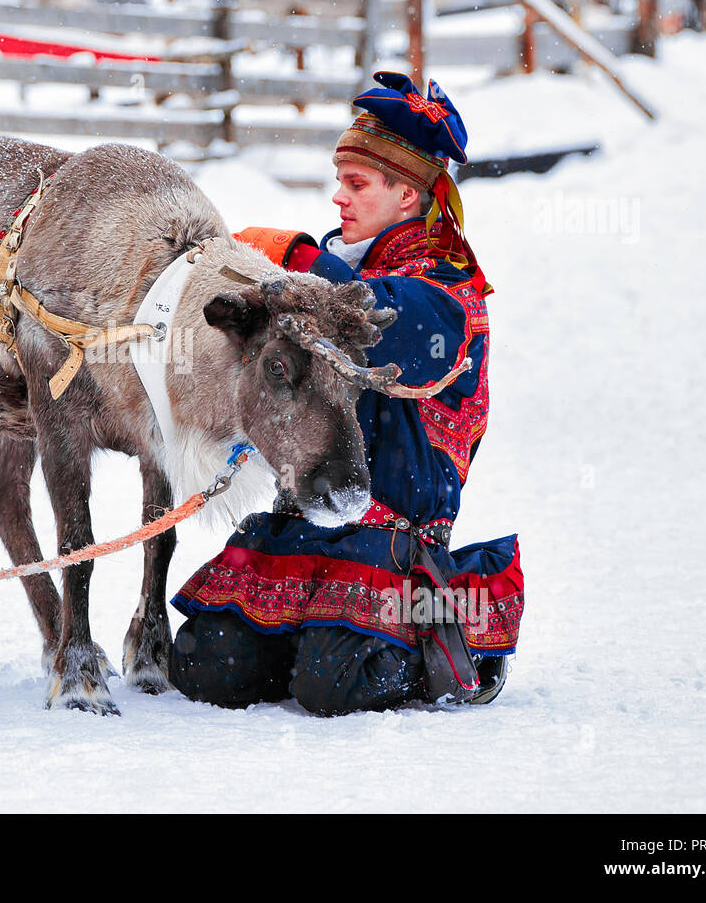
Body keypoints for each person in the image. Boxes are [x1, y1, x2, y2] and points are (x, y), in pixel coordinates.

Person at [169, 71, 523, 715]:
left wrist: (297, 259)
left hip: (392, 540)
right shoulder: (328, 279)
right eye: (339, 180)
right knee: (205, 668)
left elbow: (375, 317)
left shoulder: (448, 293)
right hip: (308, 517)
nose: (338, 198)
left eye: (357, 184)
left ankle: (458, 637)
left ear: (408, 196)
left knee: (334, 687)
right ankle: (307, 639)